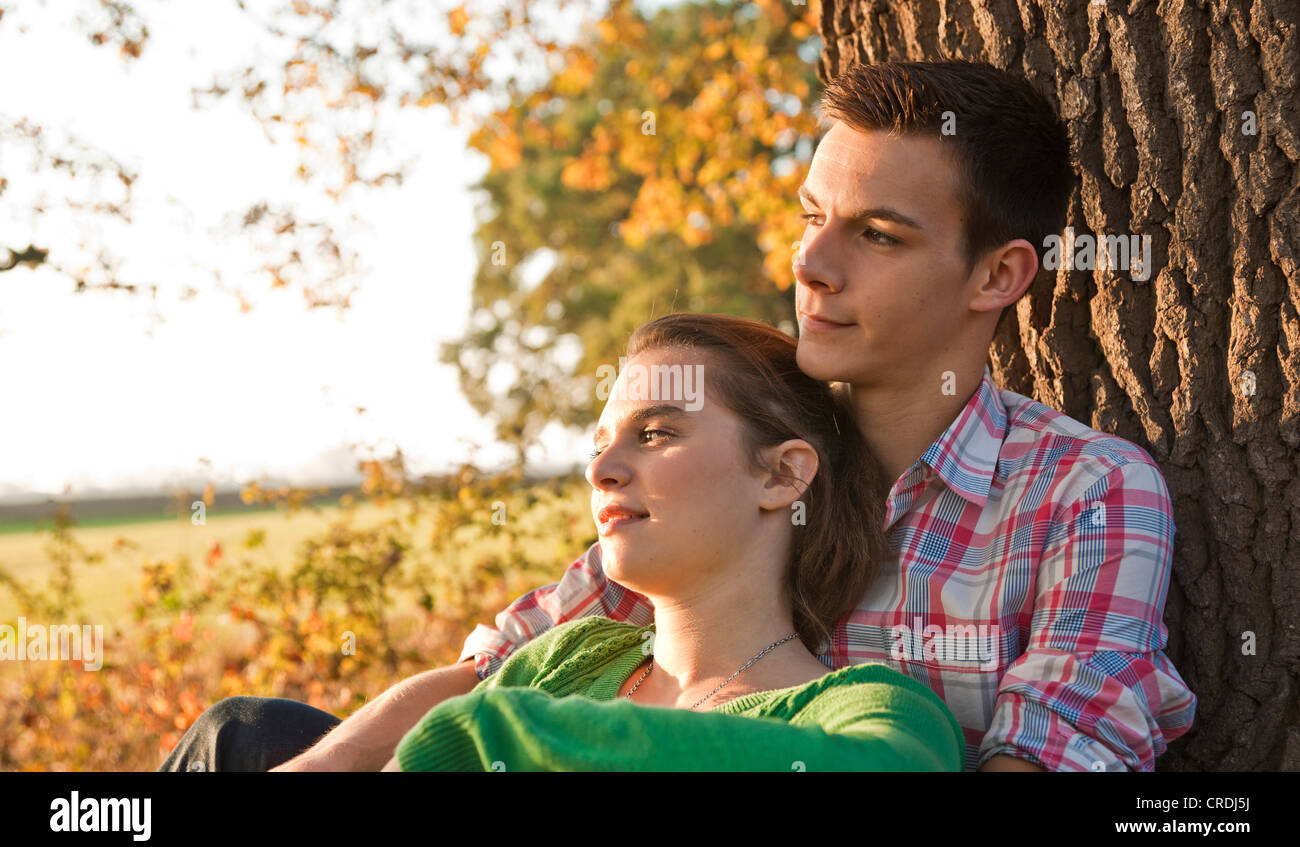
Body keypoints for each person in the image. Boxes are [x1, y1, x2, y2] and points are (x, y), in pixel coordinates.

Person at [162, 58, 1195, 774]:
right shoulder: (725, 433)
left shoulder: (1085, 494)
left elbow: (1050, 756)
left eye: (876, 236)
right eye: (811, 218)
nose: (811, 266)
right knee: (243, 735)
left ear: (997, 275)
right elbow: (501, 671)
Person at [380, 313, 963, 770]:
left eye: (655, 434)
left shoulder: (862, 710)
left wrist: (500, 729)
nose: (600, 470)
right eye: (597, 445)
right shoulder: (565, 659)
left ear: (782, 476)